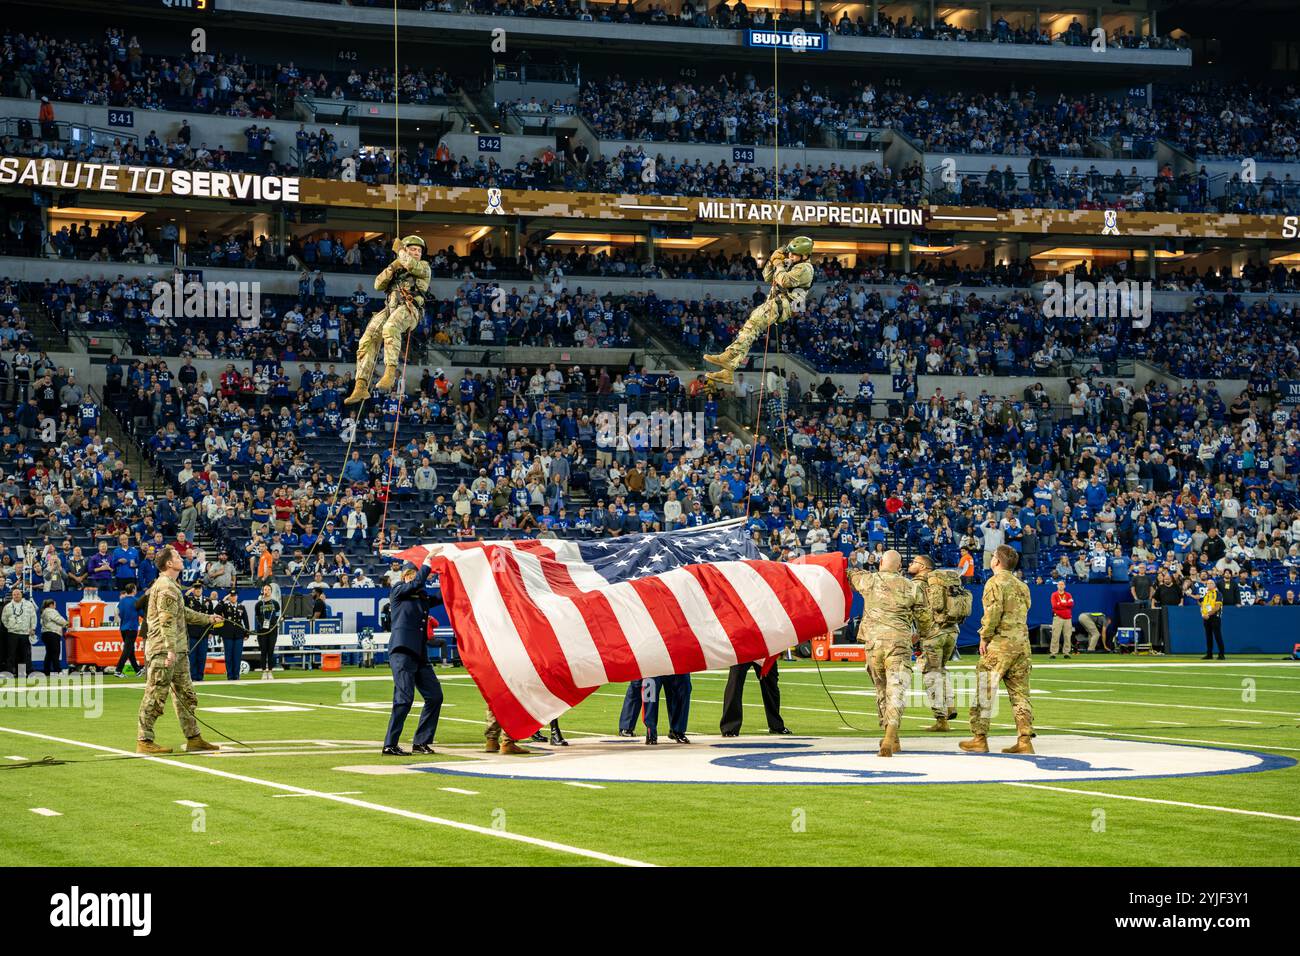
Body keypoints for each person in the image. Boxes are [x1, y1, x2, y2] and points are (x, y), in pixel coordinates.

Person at [136, 546, 224, 754]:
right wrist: (170, 650)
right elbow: (166, 621)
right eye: (176, 556)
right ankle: (144, 740)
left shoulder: (172, 586)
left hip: (177, 650)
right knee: (156, 693)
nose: (180, 558)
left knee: (186, 695)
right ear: (168, 563)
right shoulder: (166, 586)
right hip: (164, 650)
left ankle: (193, 737)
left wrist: (208, 619)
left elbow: (182, 613)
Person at [849, 549, 931, 757]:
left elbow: (850, 575)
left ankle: (891, 736)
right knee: (896, 691)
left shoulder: (869, 581)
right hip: (899, 643)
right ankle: (890, 737)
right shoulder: (911, 587)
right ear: (900, 566)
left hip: (874, 644)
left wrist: (848, 566)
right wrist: (919, 635)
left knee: (882, 690)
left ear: (880, 563)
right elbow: (925, 619)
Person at [704, 236, 815, 386]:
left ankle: (728, 356)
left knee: (753, 324)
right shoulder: (792, 263)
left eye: (793, 254)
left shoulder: (805, 269)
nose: (790, 256)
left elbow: (784, 280)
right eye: (789, 253)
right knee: (749, 331)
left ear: (805, 255)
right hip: (776, 302)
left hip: (785, 305)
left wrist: (778, 264)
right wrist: (772, 261)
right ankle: (728, 370)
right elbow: (767, 277)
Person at [962, 545, 1035, 755]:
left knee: (984, 690)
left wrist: (984, 637)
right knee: (1020, 694)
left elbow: (993, 613)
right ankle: (1024, 739)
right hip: (1021, 644)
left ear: (996, 561)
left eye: (993, 556)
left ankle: (979, 737)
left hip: (1000, 644)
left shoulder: (994, 582)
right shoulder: (1022, 585)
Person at [344, 236, 431, 405]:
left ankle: (390, 373)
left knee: (390, 328)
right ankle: (361, 386)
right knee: (366, 341)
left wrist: (400, 252)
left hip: (410, 308)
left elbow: (413, 266)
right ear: (405, 250)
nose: (417, 253)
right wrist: (393, 266)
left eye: (419, 251)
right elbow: (378, 284)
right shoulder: (398, 268)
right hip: (390, 308)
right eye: (413, 249)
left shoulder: (424, 267)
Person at [382, 555, 445, 755]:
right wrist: (427, 562)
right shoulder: (398, 590)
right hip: (402, 652)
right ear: (407, 575)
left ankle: (421, 742)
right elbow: (417, 583)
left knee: (435, 696)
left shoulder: (421, 597)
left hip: (419, 653)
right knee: (404, 698)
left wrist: (450, 576)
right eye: (414, 575)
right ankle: (390, 744)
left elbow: (443, 596)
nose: (419, 580)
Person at [911, 555, 968, 731]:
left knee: (930, 674)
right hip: (951, 631)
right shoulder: (943, 580)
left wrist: (916, 635)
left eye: (914, 562)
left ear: (922, 566)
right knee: (942, 670)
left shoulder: (916, 584)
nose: (911, 564)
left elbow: (911, 610)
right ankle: (950, 704)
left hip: (931, 634)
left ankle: (941, 719)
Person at [719, 658, 790, 737]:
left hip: (764, 651)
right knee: (734, 684)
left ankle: (776, 726)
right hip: (743, 649)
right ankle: (730, 728)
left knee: (771, 685)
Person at [1, 588, 37, 676]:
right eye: (14, 594)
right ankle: (9, 672)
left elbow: (33, 617)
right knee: (11, 654)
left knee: (25, 654)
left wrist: (33, 628)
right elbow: (4, 619)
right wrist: (10, 627)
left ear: (21, 595)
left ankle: (25, 672)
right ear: (12, 596)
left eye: (18, 594)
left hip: (25, 633)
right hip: (12, 633)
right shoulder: (8, 606)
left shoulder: (29, 605)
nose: (16, 596)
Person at [218, 591, 250, 680]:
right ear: (229, 597)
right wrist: (223, 600)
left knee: (237, 656)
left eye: (234, 596)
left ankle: (236, 675)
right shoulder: (225, 606)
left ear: (237, 596)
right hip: (227, 634)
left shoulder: (241, 607)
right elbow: (216, 611)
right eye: (231, 596)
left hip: (239, 634)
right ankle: (230, 675)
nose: (233, 598)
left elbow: (246, 620)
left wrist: (247, 632)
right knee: (229, 656)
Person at [184, 584, 213, 682]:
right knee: (192, 655)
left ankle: (200, 677)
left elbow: (211, 616)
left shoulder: (208, 601)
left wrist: (210, 631)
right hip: (192, 631)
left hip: (204, 632)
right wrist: (188, 592)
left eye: (199, 589)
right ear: (193, 590)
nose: (198, 590)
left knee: (202, 656)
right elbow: (181, 602)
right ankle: (192, 676)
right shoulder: (189, 600)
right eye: (196, 589)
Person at [254, 584, 281, 680]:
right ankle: (263, 671)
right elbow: (257, 617)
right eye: (265, 589)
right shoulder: (258, 604)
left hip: (273, 630)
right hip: (262, 631)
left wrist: (273, 624)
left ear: (271, 591)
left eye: (268, 589)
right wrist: (263, 624)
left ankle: (270, 671)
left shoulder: (275, 603)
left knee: (271, 651)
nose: (267, 591)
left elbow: (277, 615)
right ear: (262, 591)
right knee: (263, 651)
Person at [115, 582, 142, 677]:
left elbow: (118, 613)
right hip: (132, 628)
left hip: (123, 628)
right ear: (134, 590)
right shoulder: (136, 600)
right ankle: (118, 670)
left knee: (130, 650)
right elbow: (142, 614)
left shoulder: (122, 601)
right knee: (127, 650)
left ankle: (137, 670)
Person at [39, 599, 68, 674]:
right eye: (55, 605)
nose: (55, 607)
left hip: (46, 634)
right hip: (53, 634)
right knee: (55, 652)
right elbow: (58, 619)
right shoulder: (50, 611)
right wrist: (67, 623)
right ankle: (57, 670)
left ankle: (47, 671)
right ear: (51, 605)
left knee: (49, 653)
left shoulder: (44, 612)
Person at [1200, 577, 1225, 660]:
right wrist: (1203, 614)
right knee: (1208, 636)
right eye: (1208, 583)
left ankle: (1221, 654)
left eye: (1211, 583)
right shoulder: (1206, 595)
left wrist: (1208, 614)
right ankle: (1209, 654)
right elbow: (1203, 606)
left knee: (1217, 635)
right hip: (1206, 618)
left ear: (1214, 585)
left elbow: (1217, 607)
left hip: (1215, 617)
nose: (1209, 584)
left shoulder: (1218, 594)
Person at [1049, 579, 1074, 658]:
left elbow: (1071, 604)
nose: (1061, 586)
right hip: (1058, 617)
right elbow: (1054, 606)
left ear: (1065, 586)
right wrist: (1065, 604)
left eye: (1062, 584)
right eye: (1059, 584)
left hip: (1068, 618)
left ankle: (1066, 652)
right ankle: (1053, 652)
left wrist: (1061, 603)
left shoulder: (1068, 595)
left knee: (1067, 635)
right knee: (1055, 635)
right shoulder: (1054, 595)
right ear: (1057, 586)